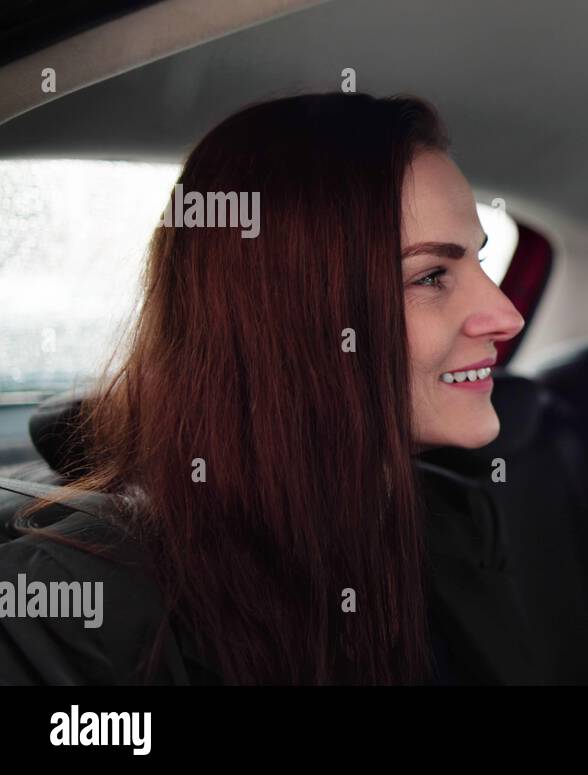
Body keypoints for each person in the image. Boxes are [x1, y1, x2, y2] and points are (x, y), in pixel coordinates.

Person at [0, 93, 534, 685]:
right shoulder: (68, 609)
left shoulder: (455, 521)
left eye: (479, 263)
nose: (506, 315)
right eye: (431, 275)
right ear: (283, 318)